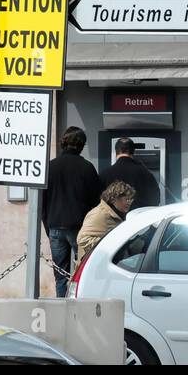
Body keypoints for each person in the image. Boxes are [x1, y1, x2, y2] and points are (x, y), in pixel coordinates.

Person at [40, 126, 102, 297]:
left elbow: (42, 202)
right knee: (84, 271)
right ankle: (79, 302)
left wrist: (48, 225)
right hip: (80, 227)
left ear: (63, 143)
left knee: (60, 276)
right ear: (81, 145)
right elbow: (96, 201)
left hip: (55, 227)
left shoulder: (50, 167)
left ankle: (61, 304)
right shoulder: (87, 168)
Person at [76, 180, 137, 265]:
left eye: (131, 199)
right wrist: (110, 243)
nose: (129, 202)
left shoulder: (118, 213)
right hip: (94, 267)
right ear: (113, 199)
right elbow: (82, 239)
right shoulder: (99, 214)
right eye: (126, 199)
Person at [98, 137, 161, 210]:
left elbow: (99, 202)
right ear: (133, 152)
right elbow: (155, 199)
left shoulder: (105, 174)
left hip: (114, 220)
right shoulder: (146, 173)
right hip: (139, 219)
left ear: (116, 151)